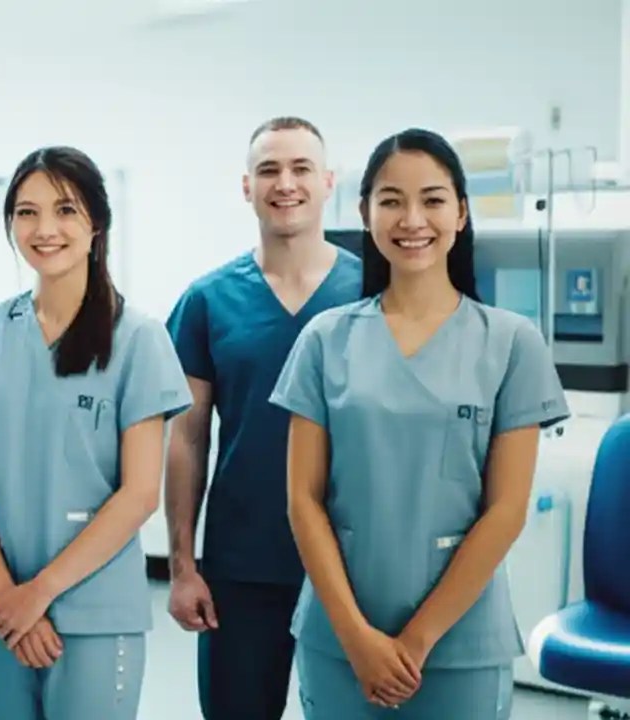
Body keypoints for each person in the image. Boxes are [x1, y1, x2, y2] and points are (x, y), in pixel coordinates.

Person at [269, 128, 568, 719]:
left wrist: (416, 640)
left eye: (432, 199)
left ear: (460, 212)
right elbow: (303, 501)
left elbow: (505, 511)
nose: (412, 219)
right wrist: (356, 638)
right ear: (364, 213)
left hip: (458, 644)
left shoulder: (510, 344)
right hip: (340, 638)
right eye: (391, 200)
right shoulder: (325, 340)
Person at [0, 146, 191, 720]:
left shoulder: (138, 338)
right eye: (26, 212)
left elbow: (138, 494)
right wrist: (8, 594)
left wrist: (40, 593)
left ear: (96, 225)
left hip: (95, 610)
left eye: (65, 210)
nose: (45, 229)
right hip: (1, 605)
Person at [163, 116, 362, 719]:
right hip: (244, 566)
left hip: (357, 562)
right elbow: (187, 439)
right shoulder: (208, 300)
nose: (286, 182)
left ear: (328, 182)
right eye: (269, 169)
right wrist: (181, 566)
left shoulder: (374, 293)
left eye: (301, 168)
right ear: (246, 187)